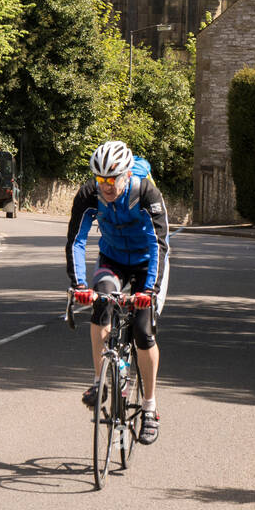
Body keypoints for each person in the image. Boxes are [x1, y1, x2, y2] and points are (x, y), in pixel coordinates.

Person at [66, 140, 169, 445]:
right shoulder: (89, 195)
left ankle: (150, 409)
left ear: (125, 175)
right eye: (101, 180)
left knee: (142, 330)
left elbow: (159, 245)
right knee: (100, 307)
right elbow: (76, 242)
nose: (106, 187)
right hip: (112, 260)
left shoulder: (145, 193)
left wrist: (148, 290)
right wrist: (79, 285)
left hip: (147, 265)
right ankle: (100, 381)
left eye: (112, 180)